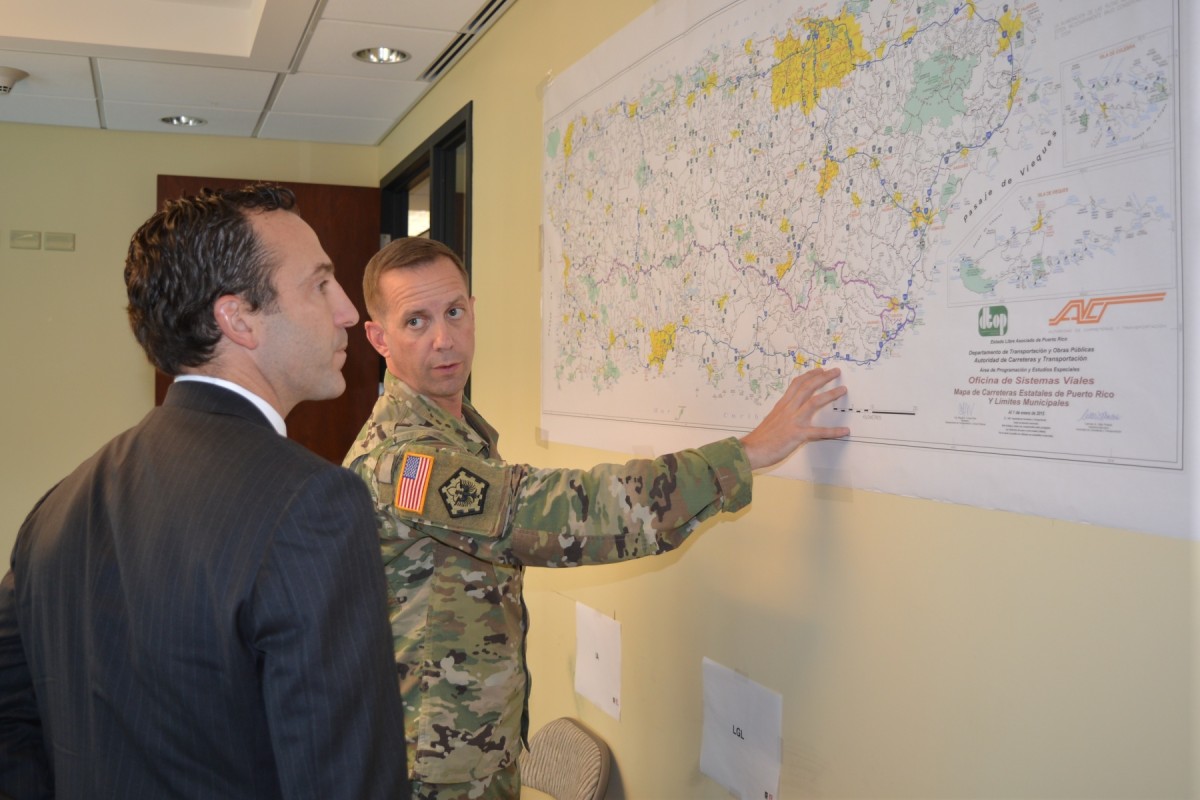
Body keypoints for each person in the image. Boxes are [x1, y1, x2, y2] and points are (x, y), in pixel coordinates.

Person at [344, 237, 849, 800]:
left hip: (474, 749)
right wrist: (744, 454)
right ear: (379, 337)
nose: (445, 339)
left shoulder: (454, 433)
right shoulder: (407, 461)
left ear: (473, 310)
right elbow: (566, 512)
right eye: (416, 321)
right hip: (435, 771)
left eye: (454, 312)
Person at [0, 184, 409, 800]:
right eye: (320, 284)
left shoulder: (57, 507)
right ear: (237, 318)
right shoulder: (314, 504)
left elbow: (12, 729)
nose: (348, 310)